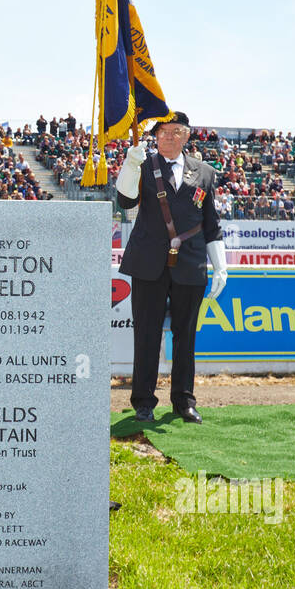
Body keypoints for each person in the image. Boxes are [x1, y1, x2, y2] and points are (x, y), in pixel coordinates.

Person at [115, 111, 227, 425]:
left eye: (176, 131)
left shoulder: (204, 172)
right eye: (163, 131)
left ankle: (184, 401)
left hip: (190, 263)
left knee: (186, 336)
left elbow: (211, 224)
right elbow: (125, 201)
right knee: (147, 335)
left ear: (186, 136)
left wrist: (220, 267)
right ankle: (144, 403)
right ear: (156, 135)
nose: (168, 136)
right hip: (149, 263)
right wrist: (129, 164)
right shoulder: (143, 164)